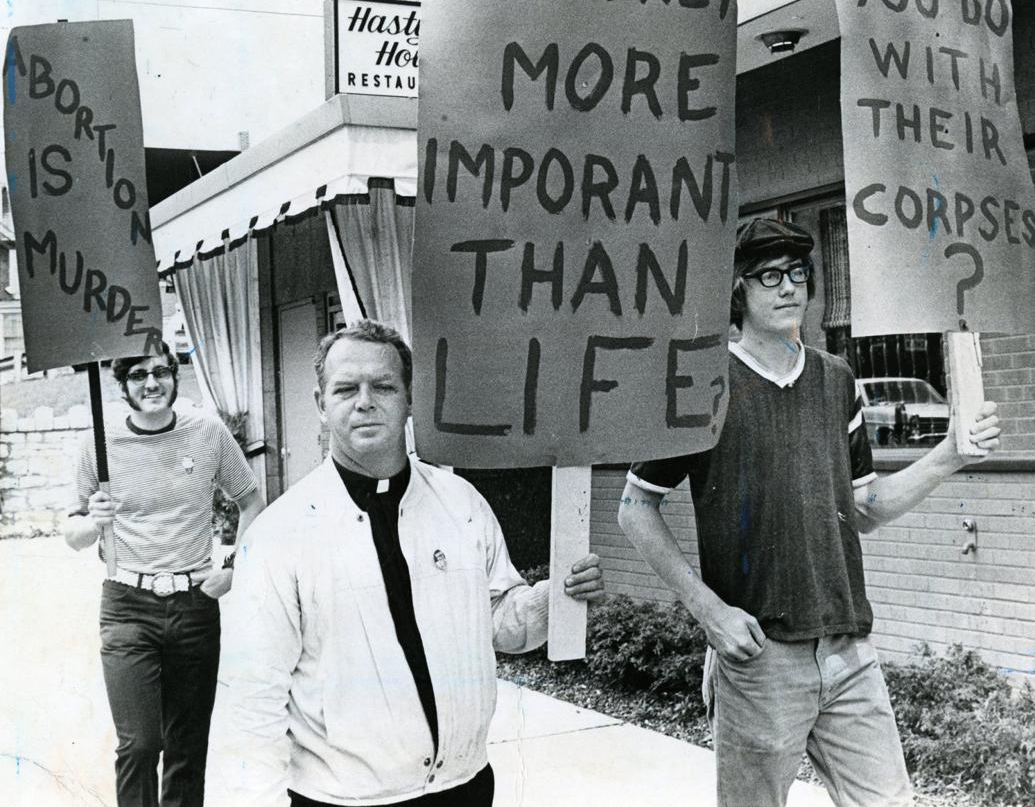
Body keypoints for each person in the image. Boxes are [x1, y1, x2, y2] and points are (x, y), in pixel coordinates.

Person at [618, 218, 1001, 807]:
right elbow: (635, 507)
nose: (788, 287)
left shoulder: (836, 378)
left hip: (848, 649)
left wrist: (949, 455)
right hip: (761, 658)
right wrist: (711, 613)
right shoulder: (703, 385)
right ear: (737, 290)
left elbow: (866, 506)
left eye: (798, 273)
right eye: (769, 275)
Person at [220, 320, 605, 806]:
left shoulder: (461, 503)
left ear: (409, 398)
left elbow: (502, 625)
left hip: (463, 787)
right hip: (345, 799)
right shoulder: (279, 535)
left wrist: (558, 597)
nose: (364, 401)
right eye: (345, 389)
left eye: (383, 386)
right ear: (321, 404)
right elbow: (252, 701)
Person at [64, 341, 266, 807]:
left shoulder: (207, 432)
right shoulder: (99, 441)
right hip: (127, 603)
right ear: (123, 386)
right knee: (139, 744)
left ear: (176, 376)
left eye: (161, 371)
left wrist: (234, 567)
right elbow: (72, 533)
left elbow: (252, 501)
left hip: (194, 603)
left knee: (187, 747)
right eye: (138, 375)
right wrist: (93, 521)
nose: (152, 383)